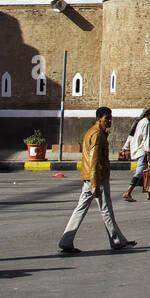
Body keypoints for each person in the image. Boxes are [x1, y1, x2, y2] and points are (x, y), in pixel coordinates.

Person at [58, 107, 136, 253]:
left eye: (110, 118)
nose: (109, 121)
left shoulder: (93, 132)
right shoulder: (97, 134)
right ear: (99, 118)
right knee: (106, 210)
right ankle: (117, 241)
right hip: (97, 177)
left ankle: (66, 241)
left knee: (80, 209)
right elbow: (93, 160)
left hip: (90, 177)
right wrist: (95, 184)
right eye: (107, 118)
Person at [121, 108, 150, 202]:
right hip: (142, 151)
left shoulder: (138, 122)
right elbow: (146, 139)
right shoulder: (146, 123)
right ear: (148, 114)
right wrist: (148, 153)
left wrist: (125, 147)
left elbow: (130, 136)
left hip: (136, 150)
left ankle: (149, 193)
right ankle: (128, 192)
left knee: (146, 172)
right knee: (139, 172)